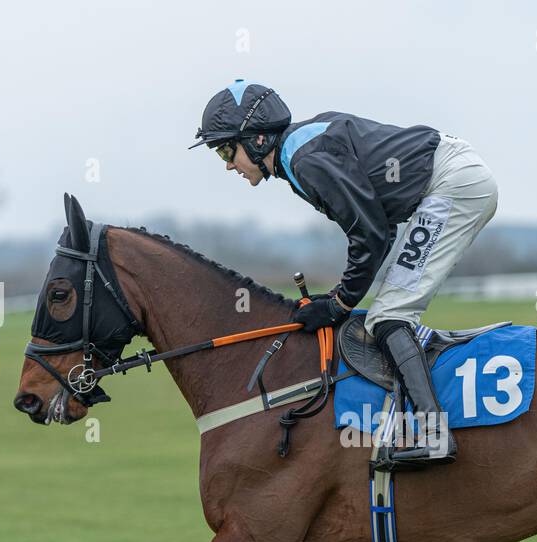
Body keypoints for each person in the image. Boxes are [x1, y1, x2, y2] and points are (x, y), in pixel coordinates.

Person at [191, 80, 499, 470]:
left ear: (256, 139)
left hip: (453, 184)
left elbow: (368, 232)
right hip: (452, 176)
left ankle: (433, 436)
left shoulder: (305, 160)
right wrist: (340, 298)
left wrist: (339, 303)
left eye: (225, 149)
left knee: (389, 316)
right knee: (387, 313)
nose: (226, 163)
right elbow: (379, 230)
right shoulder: (297, 153)